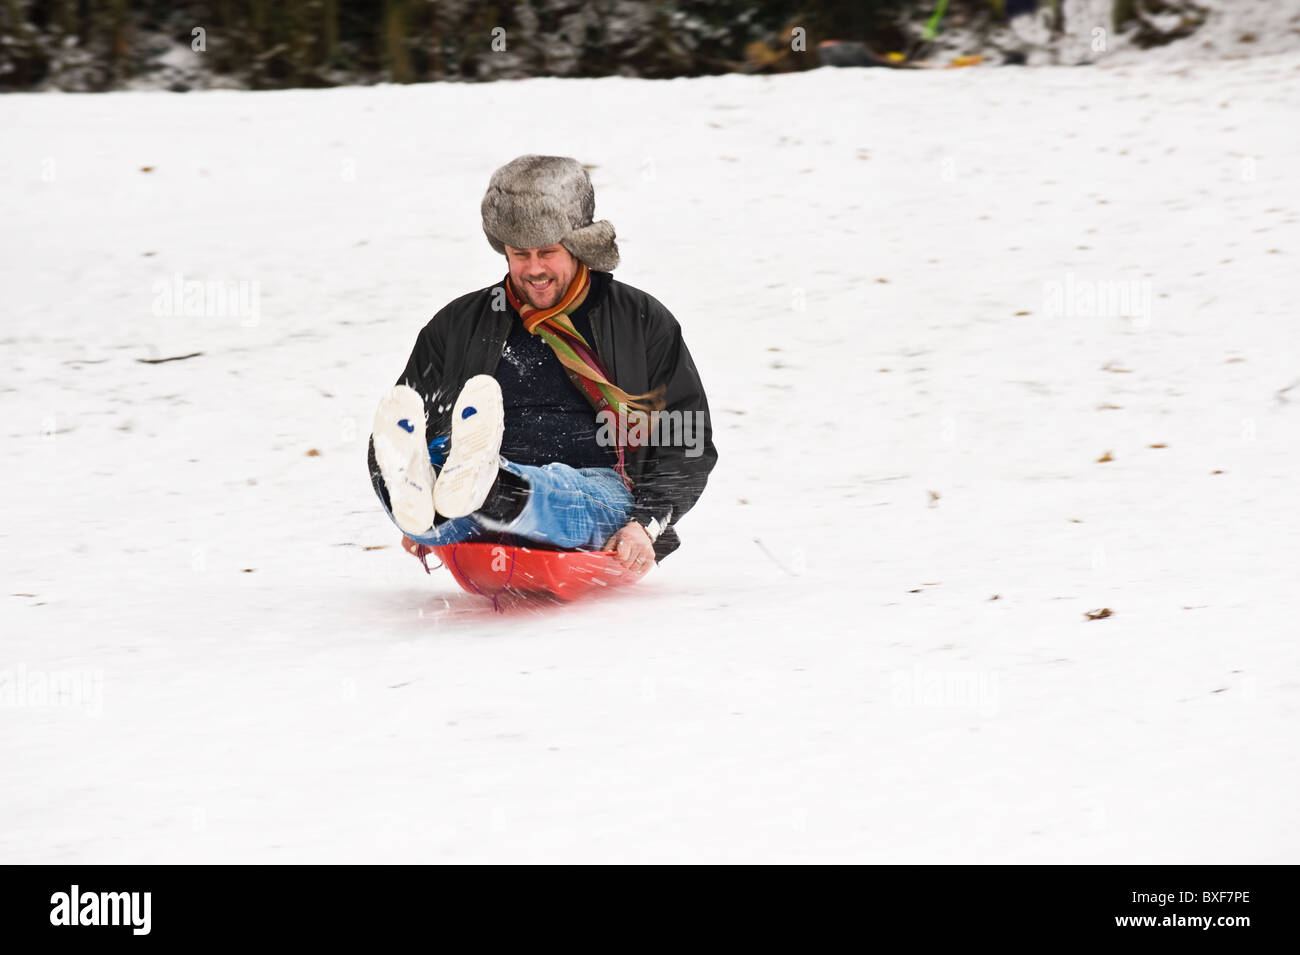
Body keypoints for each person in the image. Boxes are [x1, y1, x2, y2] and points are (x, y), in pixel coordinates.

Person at [367, 155, 717, 576]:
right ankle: (427, 504)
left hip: (596, 489)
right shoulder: (460, 324)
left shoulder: (638, 319)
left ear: (578, 247)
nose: (533, 269)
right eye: (520, 254)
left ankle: (487, 491)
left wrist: (647, 522)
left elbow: (688, 437)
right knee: (433, 465)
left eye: (547, 252)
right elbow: (414, 412)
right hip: (468, 489)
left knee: (558, 495)